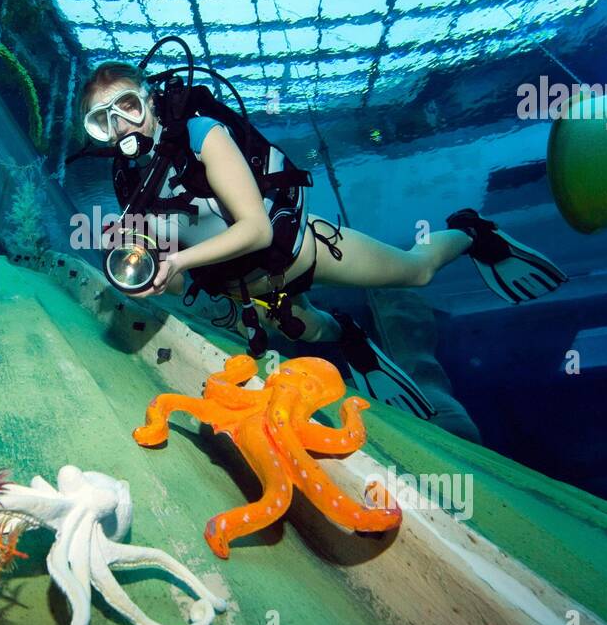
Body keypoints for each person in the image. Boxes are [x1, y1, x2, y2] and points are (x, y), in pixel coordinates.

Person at [76, 58, 568, 420]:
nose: (120, 126)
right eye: (103, 120)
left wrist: (179, 264)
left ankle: (471, 231)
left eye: (127, 106)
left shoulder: (203, 134)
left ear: (149, 100)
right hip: (246, 289)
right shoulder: (129, 180)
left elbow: (255, 228)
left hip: (304, 252)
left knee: (416, 271)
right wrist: (150, 271)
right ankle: (351, 336)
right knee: (307, 331)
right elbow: (165, 251)